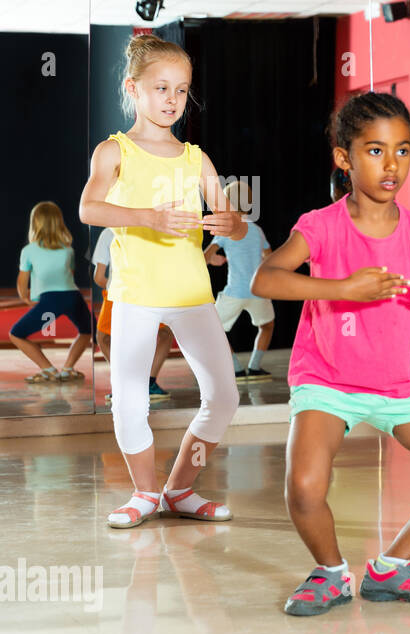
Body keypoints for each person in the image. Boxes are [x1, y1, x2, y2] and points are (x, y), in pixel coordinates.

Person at [251, 92, 410, 616]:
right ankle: (329, 574)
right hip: (327, 379)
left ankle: (391, 569)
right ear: (344, 158)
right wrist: (341, 288)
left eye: (403, 150)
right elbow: (266, 279)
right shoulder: (321, 226)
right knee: (303, 486)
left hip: (398, 384)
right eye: (374, 151)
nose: (391, 165)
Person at [79, 34, 244, 529]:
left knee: (225, 395)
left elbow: (233, 219)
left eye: (181, 90)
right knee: (129, 397)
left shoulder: (197, 158)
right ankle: (144, 493)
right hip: (136, 296)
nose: (172, 100)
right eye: (161, 88)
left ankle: (178, 490)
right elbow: (89, 208)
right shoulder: (115, 151)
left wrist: (228, 222)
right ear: (134, 88)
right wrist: (148, 216)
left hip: (193, 295)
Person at [9, 202, 94, 384]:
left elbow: (22, 281)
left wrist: (25, 297)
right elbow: (69, 275)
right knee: (88, 331)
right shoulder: (67, 249)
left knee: (16, 334)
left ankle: (48, 369)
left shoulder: (29, 251)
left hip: (51, 300)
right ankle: (68, 368)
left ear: (35, 223)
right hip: (73, 296)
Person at [91, 227, 174, 401]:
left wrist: (114, 284)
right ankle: (148, 382)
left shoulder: (109, 233)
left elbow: (99, 277)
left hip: (119, 294)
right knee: (165, 333)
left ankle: (127, 383)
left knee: (104, 337)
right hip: (149, 292)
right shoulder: (153, 228)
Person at [204, 180, 275, 381]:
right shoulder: (257, 230)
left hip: (234, 292)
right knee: (267, 326)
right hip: (258, 292)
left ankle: (235, 368)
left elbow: (206, 256)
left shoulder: (226, 230)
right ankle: (254, 367)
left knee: (215, 330)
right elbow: (269, 258)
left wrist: (213, 260)